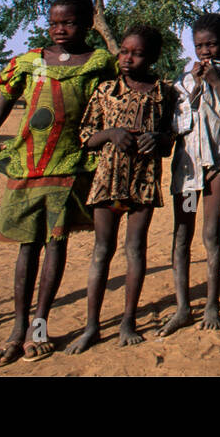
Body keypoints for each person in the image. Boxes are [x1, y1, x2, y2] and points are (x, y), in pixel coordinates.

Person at [0, 0, 117, 365]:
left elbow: (108, 108)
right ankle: (17, 329)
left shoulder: (101, 62)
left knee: (56, 245)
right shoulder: (29, 61)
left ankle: (39, 328)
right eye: (54, 23)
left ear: (88, 24)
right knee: (28, 248)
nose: (59, 30)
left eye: (69, 22)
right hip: (27, 164)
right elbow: (6, 96)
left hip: (69, 165)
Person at [66, 26, 191, 353]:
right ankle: (92, 325)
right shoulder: (105, 90)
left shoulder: (164, 92)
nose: (126, 58)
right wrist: (111, 134)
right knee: (102, 252)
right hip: (107, 182)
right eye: (123, 51)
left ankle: (128, 322)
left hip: (143, 183)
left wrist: (158, 139)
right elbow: (85, 138)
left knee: (135, 250)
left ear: (151, 57)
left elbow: (169, 139)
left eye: (135, 53)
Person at [160, 13, 220, 336]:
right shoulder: (184, 80)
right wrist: (198, 84)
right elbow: (177, 123)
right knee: (182, 233)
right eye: (200, 45)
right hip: (188, 169)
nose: (206, 51)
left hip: (218, 166)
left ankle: (212, 303)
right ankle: (183, 306)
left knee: (211, 231)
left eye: (211, 43)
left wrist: (216, 83)